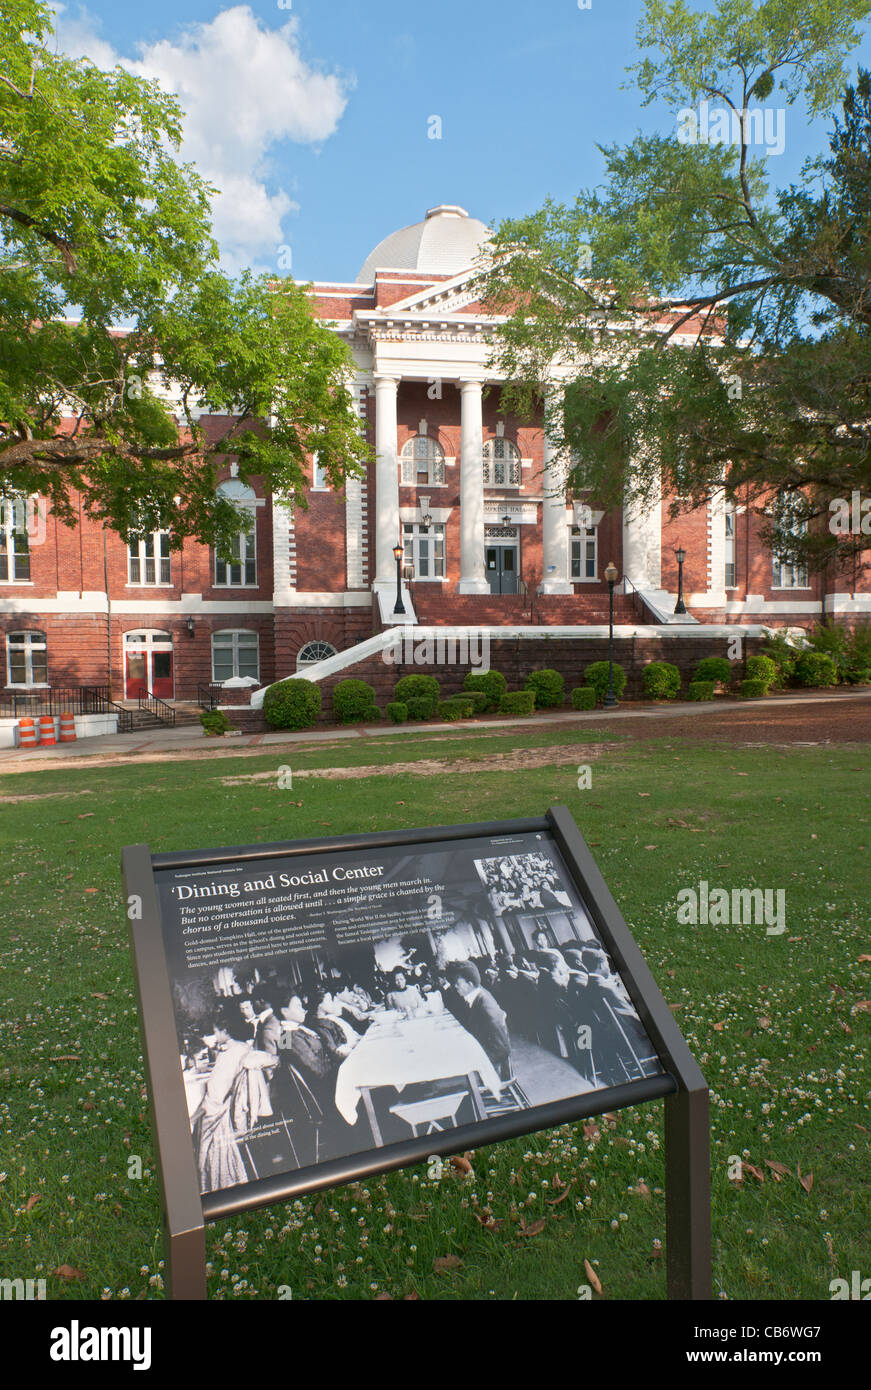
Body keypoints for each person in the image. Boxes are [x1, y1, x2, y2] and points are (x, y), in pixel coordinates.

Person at [448, 961, 512, 1081]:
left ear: (470, 984)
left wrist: (475, 1062)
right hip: (483, 1053)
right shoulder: (477, 996)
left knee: (453, 1077)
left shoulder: (486, 1006)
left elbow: (502, 1049)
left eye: (457, 983)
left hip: (493, 1067)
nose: (455, 986)